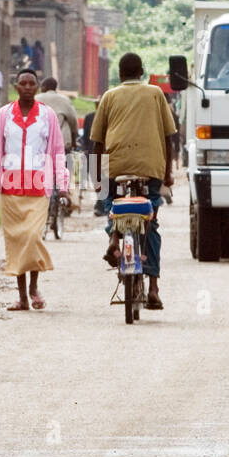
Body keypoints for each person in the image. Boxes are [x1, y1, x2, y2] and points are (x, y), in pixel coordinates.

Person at [90, 53, 177, 310]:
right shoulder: (155, 93)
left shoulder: (109, 96)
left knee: (111, 205)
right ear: (142, 72)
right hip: (151, 167)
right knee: (151, 221)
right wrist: (168, 172)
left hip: (115, 167)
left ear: (119, 74)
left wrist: (96, 176)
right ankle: (153, 288)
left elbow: (97, 141)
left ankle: (114, 238)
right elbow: (168, 136)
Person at [0, 70, 69, 311]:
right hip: (10, 189)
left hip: (38, 187)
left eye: (32, 83)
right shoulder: (3, 115)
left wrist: (62, 186)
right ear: (16, 86)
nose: (28, 87)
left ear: (38, 87)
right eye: (23, 83)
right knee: (16, 241)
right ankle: (22, 296)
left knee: (32, 238)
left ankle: (34, 287)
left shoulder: (47, 115)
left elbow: (57, 152)